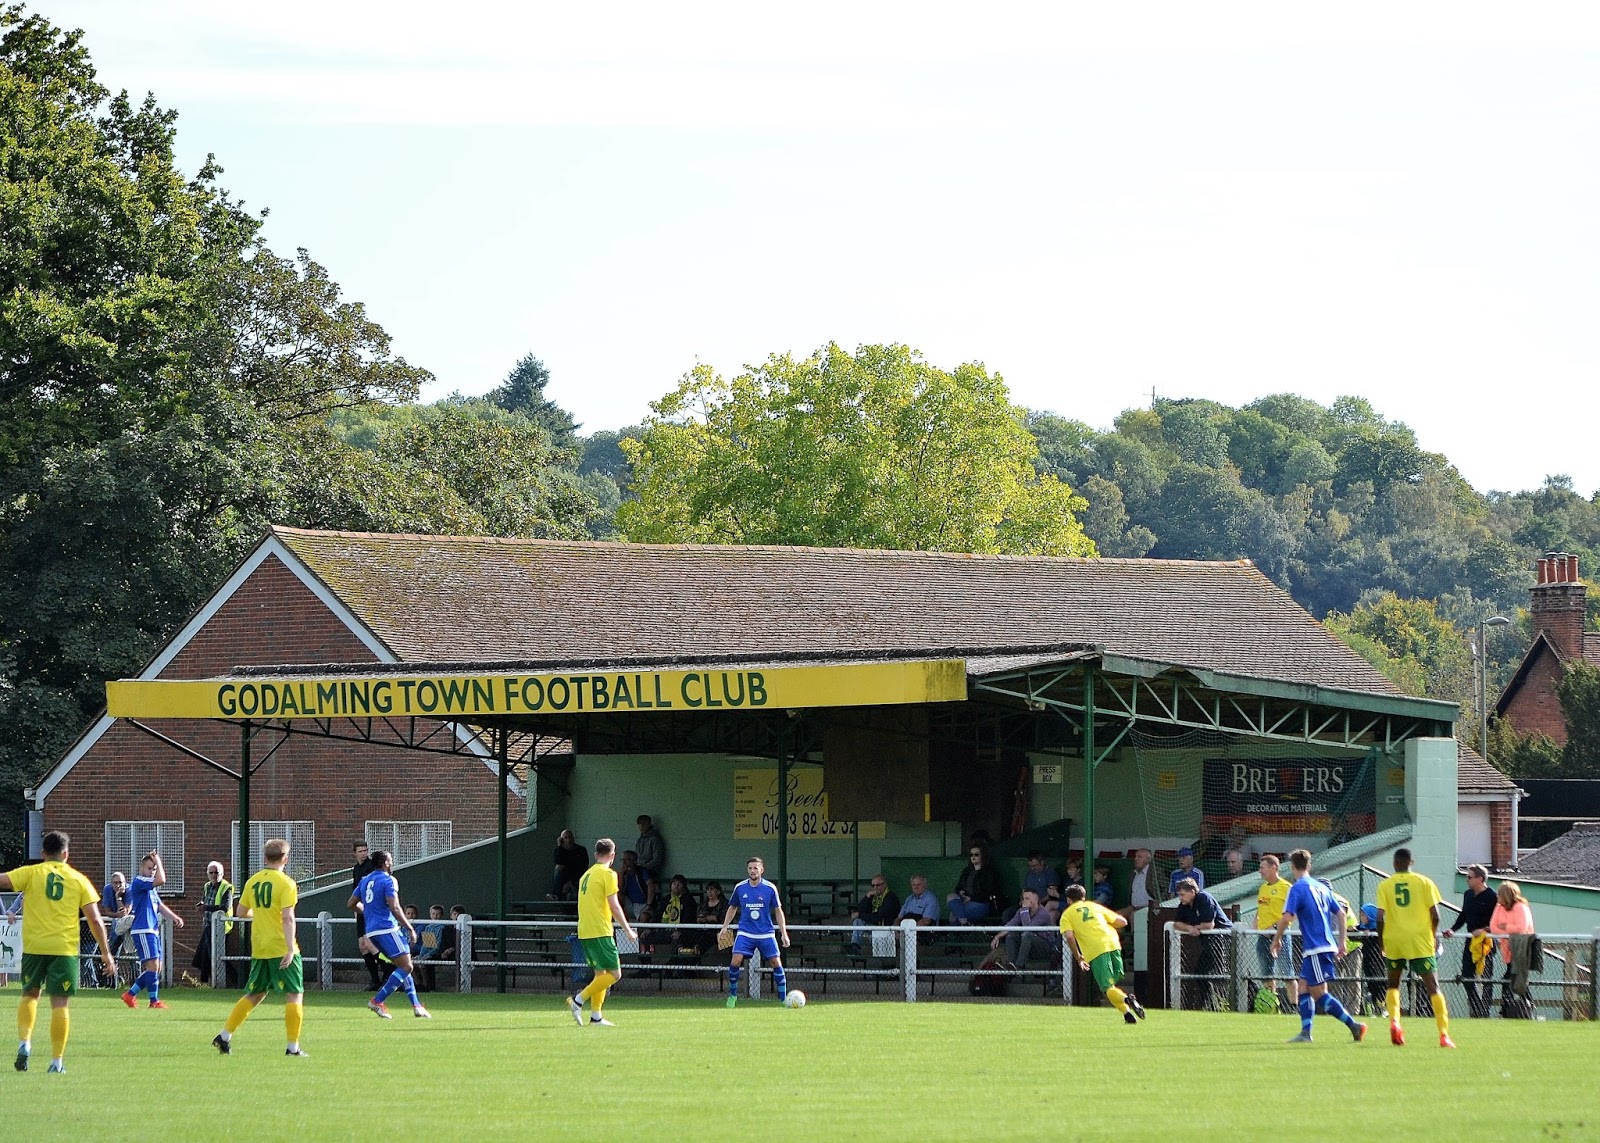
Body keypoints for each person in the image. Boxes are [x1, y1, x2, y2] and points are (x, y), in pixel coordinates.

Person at [0, 830, 116, 1073]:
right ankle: (56, 1063)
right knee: (60, 1004)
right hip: (64, 949)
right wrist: (106, 952)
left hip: (34, 947)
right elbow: (94, 919)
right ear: (66, 854)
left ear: (43, 854)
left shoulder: (31, 873)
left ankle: (24, 1043)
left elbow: (3, 880)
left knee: (30, 995)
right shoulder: (79, 879)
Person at [212, 838, 308, 1057]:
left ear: (265, 857)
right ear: (286, 858)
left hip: (260, 947)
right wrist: (290, 949)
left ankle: (225, 1035)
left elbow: (241, 913)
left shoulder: (252, 882)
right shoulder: (287, 883)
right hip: (280, 946)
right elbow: (287, 918)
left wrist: (262, 914)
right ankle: (293, 1048)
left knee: (256, 993)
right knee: (294, 994)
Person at [1270, 848, 1366, 1044]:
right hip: (1322, 946)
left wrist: (1276, 938)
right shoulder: (1322, 887)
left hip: (1316, 947)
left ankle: (1353, 1025)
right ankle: (1306, 1032)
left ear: (1292, 867)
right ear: (1309, 865)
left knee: (1318, 992)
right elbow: (1340, 913)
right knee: (1303, 986)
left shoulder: (1297, 888)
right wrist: (1341, 943)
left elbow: (1287, 917)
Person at [1374, 847, 1450, 1048]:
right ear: (1411, 862)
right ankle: (1443, 1035)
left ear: (1394, 864)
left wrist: (1382, 941)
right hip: (1419, 939)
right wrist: (1433, 937)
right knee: (1433, 986)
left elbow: (1379, 917)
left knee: (1393, 984)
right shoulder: (1425, 882)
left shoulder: (1385, 885)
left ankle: (1395, 1023)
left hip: (1395, 939)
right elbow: (1436, 915)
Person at [350, 850, 430, 1019]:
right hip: (387, 928)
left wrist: (366, 911)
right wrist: (409, 927)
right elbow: (394, 907)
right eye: (390, 860)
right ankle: (377, 1001)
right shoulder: (389, 880)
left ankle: (416, 1005)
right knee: (407, 966)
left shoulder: (365, 880)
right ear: (386, 863)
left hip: (371, 931)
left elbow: (351, 904)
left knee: (403, 966)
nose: (392, 863)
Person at [568, 837, 638, 1027]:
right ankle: (578, 1000)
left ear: (595, 854)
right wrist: (628, 930)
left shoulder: (587, 875)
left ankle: (596, 1017)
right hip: (600, 930)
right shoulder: (608, 874)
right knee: (615, 974)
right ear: (613, 856)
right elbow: (614, 906)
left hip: (585, 931)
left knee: (601, 975)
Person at [1058, 885, 1145, 1024]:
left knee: (1107, 987)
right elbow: (1122, 922)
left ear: (1068, 900)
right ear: (1084, 896)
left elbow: (1069, 937)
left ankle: (1128, 999)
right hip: (1113, 944)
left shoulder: (1067, 914)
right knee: (1112, 985)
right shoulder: (1094, 906)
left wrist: (1078, 956)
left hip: (1096, 949)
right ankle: (1127, 1015)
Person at [719, 856, 791, 1007]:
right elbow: (732, 907)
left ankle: (784, 999)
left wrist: (784, 933)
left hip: (766, 933)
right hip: (745, 932)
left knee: (776, 962)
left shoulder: (770, 888)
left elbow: (778, 910)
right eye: (750, 868)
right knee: (735, 961)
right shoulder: (740, 887)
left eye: (755, 868)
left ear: (762, 870)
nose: (753, 871)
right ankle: (732, 996)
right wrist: (725, 927)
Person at [121, 850, 184, 1010]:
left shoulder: (151, 888)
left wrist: (174, 917)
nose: (152, 871)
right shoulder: (139, 881)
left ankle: (130, 995)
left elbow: (160, 906)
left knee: (156, 968)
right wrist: (159, 861)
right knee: (153, 967)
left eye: (154, 869)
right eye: (150, 868)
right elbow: (161, 880)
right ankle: (153, 1001)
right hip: (143, 929)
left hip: (152, 930)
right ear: (141, 868)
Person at [1441, 863, 1498, 1018]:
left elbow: (1497, 921)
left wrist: (1485, 930)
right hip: (1471, 941)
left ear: (1480, 879)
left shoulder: (1492, 896)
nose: (1467, 880)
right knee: (1467, 976)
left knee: (1486, 977)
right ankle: (1477, 1009)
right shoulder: (1468, 895)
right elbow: (1463, 916)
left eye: (1469, 877)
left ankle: (1484, 1011)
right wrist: (1452, 929)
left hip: (1486, 942)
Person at [1173, 878, 1231, 1009]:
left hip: (1224, 940)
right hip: (1209, 944)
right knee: (1200, 974)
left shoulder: (1204, 898)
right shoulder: (1184, 905)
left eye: (1182, 894)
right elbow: (1177, 923)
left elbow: (1209, 925)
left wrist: (1195, 927)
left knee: (1221, 975)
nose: (1180, 898)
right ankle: (1209, 1005)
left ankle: (1230, 1003)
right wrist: (1189, 928)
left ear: (1192, 891)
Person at [1489, 880, 1536, 1015]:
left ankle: (1507, 1010)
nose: (1497, 898)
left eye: (1500, 895)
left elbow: (1521, 928)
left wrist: (1505, 927)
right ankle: (1528, 1008)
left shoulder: (1521, 907)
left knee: (1510, 979)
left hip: (1521, 949)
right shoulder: (1499, 907)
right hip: (1508, 949)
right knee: (1516, 980)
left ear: (1507, 895)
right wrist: (1509, 930)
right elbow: (1493, 927)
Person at [1254, 854, 1292, 1010]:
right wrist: (1256, 924)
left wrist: (1276, 929)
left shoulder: (1286, 887)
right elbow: (1260, 910)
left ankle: (1293, 1007)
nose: (1260, 871)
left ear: (1273, 868)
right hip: (1263, 938)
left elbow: (1291, 913)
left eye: (1262, 867)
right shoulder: (1262, 888)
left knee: (1287, 974)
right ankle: (1271, 1005)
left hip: (1280, 935)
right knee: (1266, 974)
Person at [990, 888, 1058, 971]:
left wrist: (1025, 910)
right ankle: (1012, 965)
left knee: (1027, 935)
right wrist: (997, 937)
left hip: (1045, 948)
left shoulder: (1043, 913)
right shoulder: (1021, 911)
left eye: (1027, 898)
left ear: (1035, 900)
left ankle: (1019, 966)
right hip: (1029, 947)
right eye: (1024, 898)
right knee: (1011, 935)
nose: (1024, 901)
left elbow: (1028, 928)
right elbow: (1011, 925)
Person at [192, 860, 234, 988]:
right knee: (202, 957)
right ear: (207, 874)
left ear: (222, 873)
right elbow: (206, 901)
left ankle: (234, 979)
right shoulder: (207, 886)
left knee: (215, 956)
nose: (214, 875)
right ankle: (205, 983)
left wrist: (206, 908)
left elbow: (225, 907)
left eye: (217, 872)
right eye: (211, 873)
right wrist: (202, 906)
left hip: (220, 928)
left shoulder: (226, 887)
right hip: (208, 924)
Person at [350, 842, 383, 990]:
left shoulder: (371, 867)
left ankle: (389, 971)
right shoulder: (356, 869)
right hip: (361, 912)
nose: (363, 853)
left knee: (371, 945)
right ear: (354, 853)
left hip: (371, 912)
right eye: (360, 851)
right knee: (363, 947)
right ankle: (375, 980)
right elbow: (355, 891)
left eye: (365, 850)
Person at [946, 844, 1002, 925]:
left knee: (954, 913)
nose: (973, 857)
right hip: (964, 899)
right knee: (950, 897)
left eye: (976, 854)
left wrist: (971, 898)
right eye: (971, 855)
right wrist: (961, 891)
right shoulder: (967, 870)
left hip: (980, 903)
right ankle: (964, 923)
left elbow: (989, 891)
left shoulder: (989, 872)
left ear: (982, 856)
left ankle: (962, 925)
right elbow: (958, 887)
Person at [849, 875, 900, 949]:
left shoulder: (890, 898)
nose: (875, 888)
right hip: (874, 926)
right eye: (873, 885)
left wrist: (860, 915)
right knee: (857, 921)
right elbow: (860, 909)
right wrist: (867, 897)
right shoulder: (873, 896)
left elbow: (879, 917)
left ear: (885, 884)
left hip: (886, 929)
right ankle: (855, 946)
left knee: (860, 920)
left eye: (878, 885)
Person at [657, 874, 698, 952]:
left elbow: (689, 919)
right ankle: (646, 964)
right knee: (645, 937)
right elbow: (658, 914)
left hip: (683, 932)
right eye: (674, 883)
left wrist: (680, 930)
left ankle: (672, 963)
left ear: (684, 886)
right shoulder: (667, 899)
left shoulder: (689, 901)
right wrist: (649, 929)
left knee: (678, 940)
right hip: (666, 930)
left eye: (679, 884)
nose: (676, 886)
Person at [100, 871, 131, 965]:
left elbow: (125, 912)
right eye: (115, 883)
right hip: (117, 921)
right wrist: (117, 915)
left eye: (120, 882)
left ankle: (135, 978)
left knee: (132, 955)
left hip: (130, 923)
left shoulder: (130, 890)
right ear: (111, 883)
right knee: (112, 952)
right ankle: (108, 968)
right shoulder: (107, 889)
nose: (118, 885)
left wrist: (118, 897)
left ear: (124, 883)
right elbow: (107, 912)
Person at [415, 905, 448, 992]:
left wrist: (427, 955)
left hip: (436, 953)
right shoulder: (428, 927)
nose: (435, 916)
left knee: (424, 963)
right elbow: (427, 945)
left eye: (438, 914)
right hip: (428, 952)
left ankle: (427, 986)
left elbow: (438, 946)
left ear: (442, 915)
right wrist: (421, 955)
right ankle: (419, 985)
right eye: (433, 914)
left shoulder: (442, 928)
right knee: (412, 963)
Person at [551, 829, 589, 900]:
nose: (568, 840)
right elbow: (558, 861)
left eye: (570, 837)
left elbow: (583, 867)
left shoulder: (581, 850)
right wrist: (559, 847)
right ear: (562, 840)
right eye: (565, 838)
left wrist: (571, 882)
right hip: (564, 878)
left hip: (577, 876)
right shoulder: (559, 851)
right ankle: (556, 895)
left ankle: (558, 895)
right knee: (558, 867)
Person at [616, 850, 652, 922]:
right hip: (629, 904)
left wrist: (649, 905)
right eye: (623, 860)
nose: (624, 862)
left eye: (628, 860)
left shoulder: (641, 871)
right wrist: (622, 874)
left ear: (634, 861)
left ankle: (641, 933)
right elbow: (619, 890)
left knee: (645, 917)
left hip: (642, 905)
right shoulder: (622, 874)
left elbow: (651, 885)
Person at [697, 882, 728, 953]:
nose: (709, 892)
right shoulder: (704, 904)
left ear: (718, 891)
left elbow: (725, 918)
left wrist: (712, 918)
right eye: (708, 890)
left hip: (720, 932)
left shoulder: (724, 903)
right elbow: (698, 915)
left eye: (712, 889)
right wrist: (700, 918)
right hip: (704, 931)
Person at [634, 815, 666, 884]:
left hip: (651, 870)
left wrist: (644, 867)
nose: (641, 826)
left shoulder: (655, 839)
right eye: (639, 824)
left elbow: (657, 859)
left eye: (644, 823)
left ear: (649, 824)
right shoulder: (639, 840)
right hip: (639, 868)